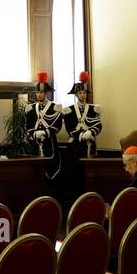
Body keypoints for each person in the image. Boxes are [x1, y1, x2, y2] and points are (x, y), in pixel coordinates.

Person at [59, 72, 101, 208]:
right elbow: (70, 128)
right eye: (80, 93)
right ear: (76, 94)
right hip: (75, 147)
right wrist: (80, 135)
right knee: (75, 173)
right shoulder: (69, 110)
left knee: (89, 175)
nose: (83, 95)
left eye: (84, 92)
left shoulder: (94, 109)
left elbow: (98, 125)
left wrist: (91, 131)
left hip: (89, 146)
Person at [24, 72, 64, 185]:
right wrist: (34, 133)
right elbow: (28, 126)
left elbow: (57, 126)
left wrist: (45, 132)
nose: (39, 95)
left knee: (50, 168)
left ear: (45, 93)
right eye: (37, 92)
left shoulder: (54, 107)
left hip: (49, 143)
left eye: (41, 92)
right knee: (36, 172)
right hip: (35, 144)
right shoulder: (30, 108)